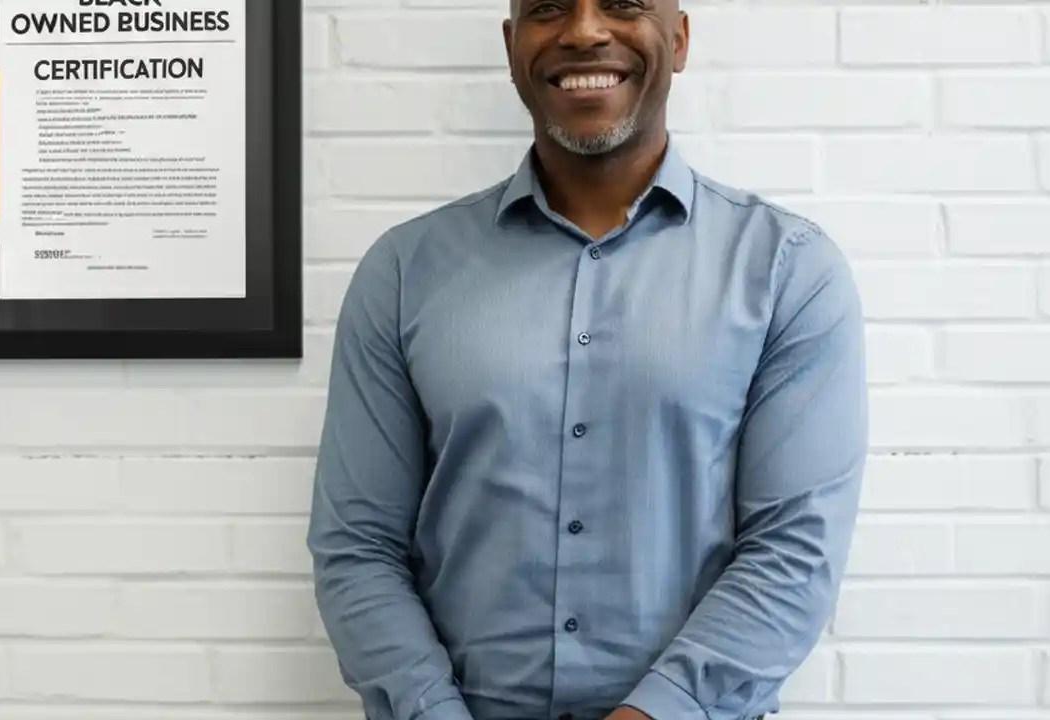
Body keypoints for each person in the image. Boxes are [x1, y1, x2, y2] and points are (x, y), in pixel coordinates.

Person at [307, 1, 868, 718]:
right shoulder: (403, 272)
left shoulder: (786, 270)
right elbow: (358, 545)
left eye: (623, 4)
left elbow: (794, 551)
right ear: (513, 47)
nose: (582, 30)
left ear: (680, 38)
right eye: (546, 8)